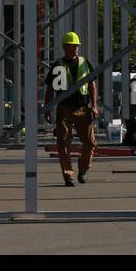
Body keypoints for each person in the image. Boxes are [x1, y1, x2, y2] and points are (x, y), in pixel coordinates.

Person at [44, 31, 98, 186]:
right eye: (72, 46)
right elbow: (50, 89)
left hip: (82, 107)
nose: (75, 49)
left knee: (90, 142)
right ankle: (68, 175)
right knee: (62, 142)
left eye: (76, 47)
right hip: (64, 109)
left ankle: (83, 169)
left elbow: (92, 84)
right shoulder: (58, 66)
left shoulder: (84, 63)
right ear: (65, 47)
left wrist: (94, 106)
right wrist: (48, 108)